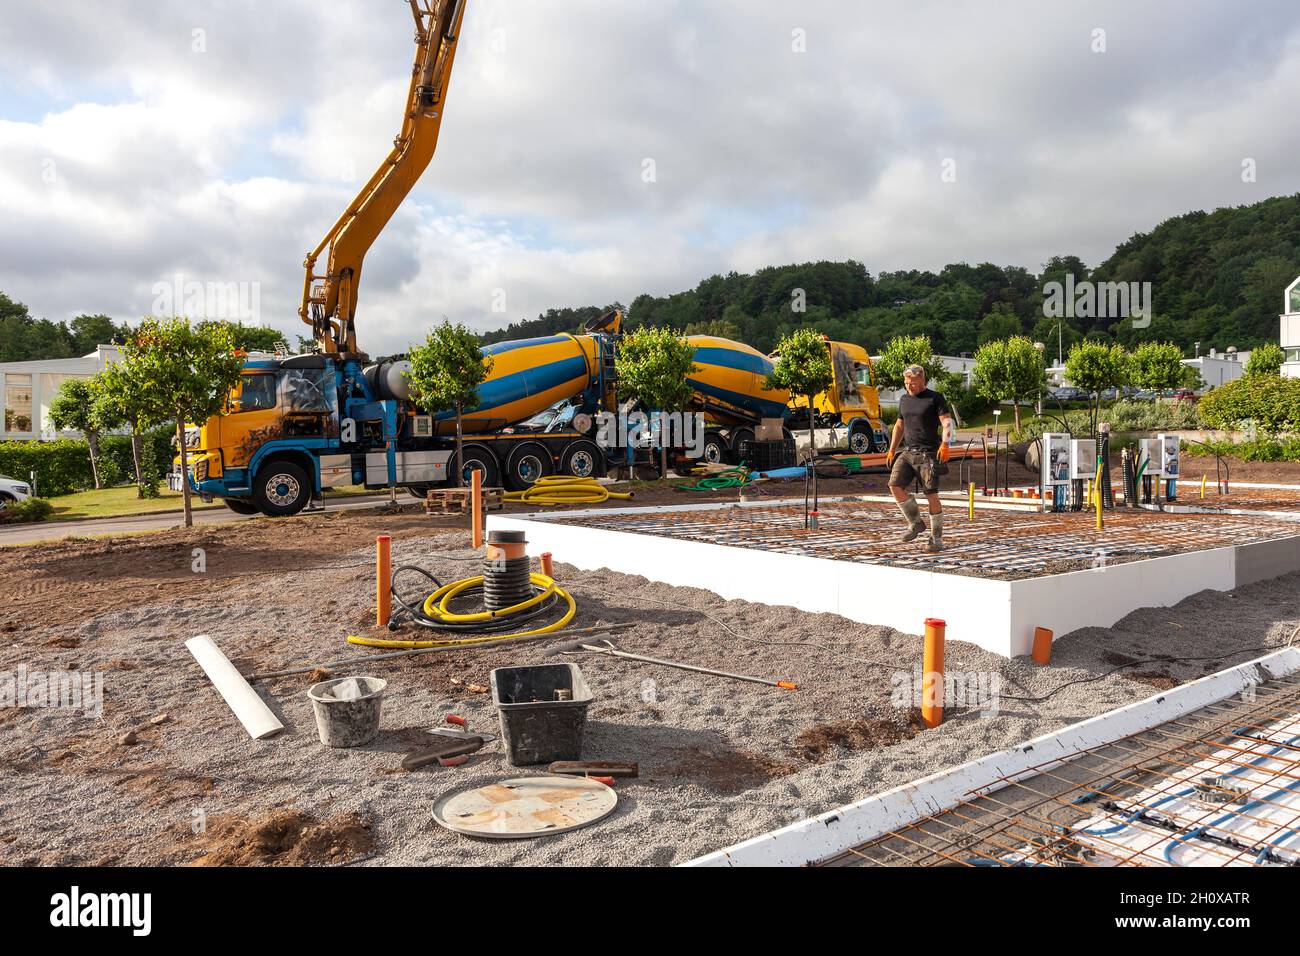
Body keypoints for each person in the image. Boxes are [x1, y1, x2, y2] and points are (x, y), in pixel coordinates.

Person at [886, 365, 954, 552]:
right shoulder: (904, 399)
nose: (909, 386)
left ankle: (936, 538)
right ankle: (915, 523)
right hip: (908, 452)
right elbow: (899, 426)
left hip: (929, 454)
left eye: (913, 383)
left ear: (922, 380)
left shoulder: (935, 398)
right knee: (894, 485)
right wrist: (892, 450)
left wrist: (945, 444)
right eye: (906, 383)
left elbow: (947, 422)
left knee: (931, 494)